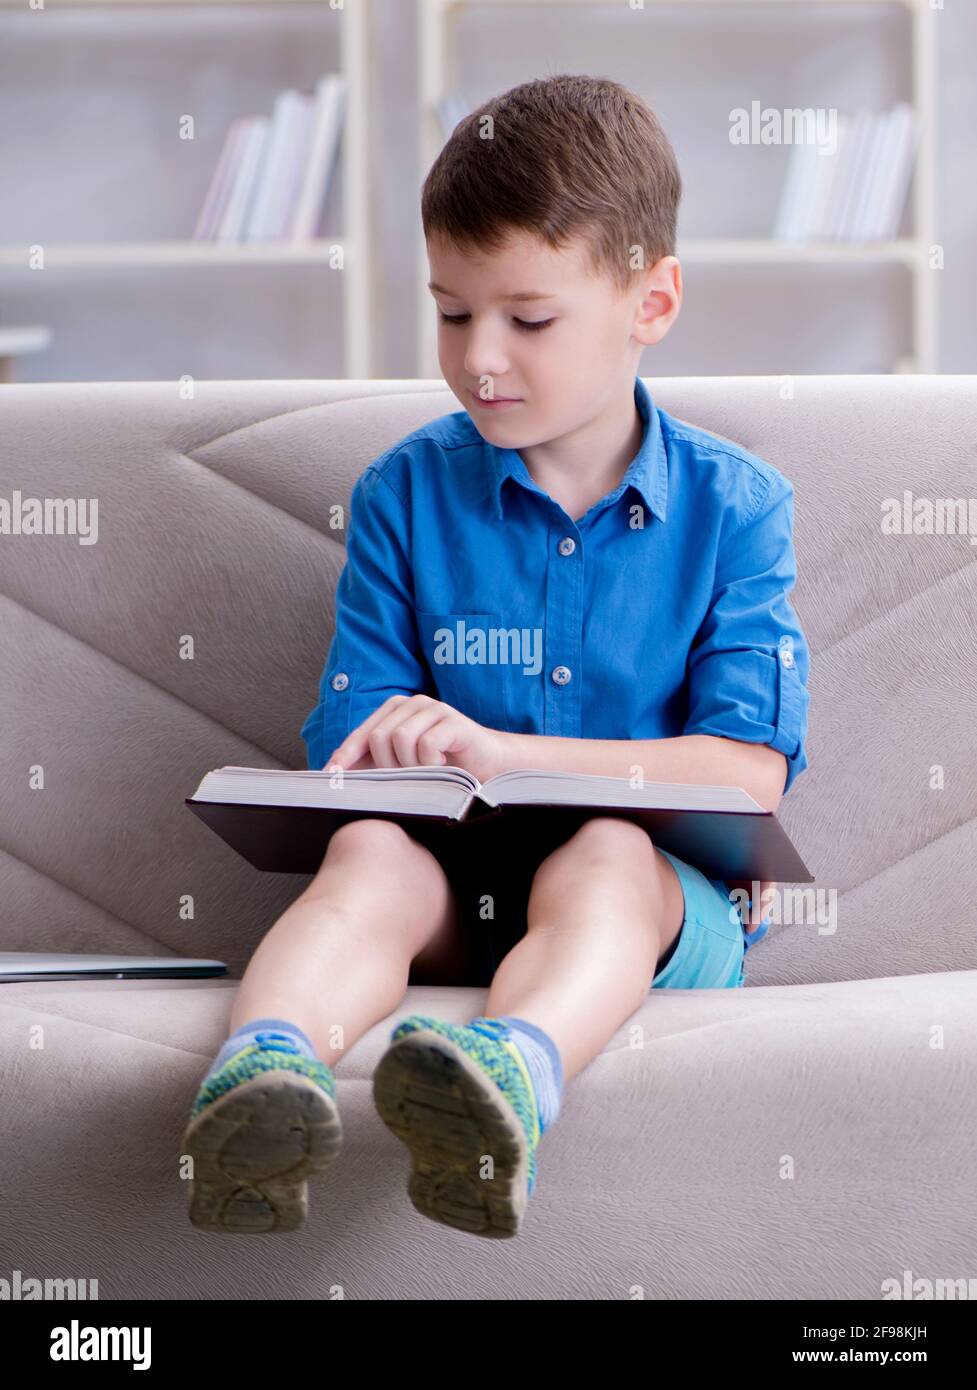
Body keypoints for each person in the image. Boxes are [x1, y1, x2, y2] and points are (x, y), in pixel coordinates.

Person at [180, 74, 811, 1239]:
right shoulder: (403, 492)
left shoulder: (737, 507)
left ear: (650, 300)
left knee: (609, 852)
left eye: (527, 319)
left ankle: (505, 1079)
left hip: (646, 908)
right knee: (370, 847)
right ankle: (262, 1080)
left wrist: (494, 743)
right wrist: (392, 744)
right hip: (446, 888)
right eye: (450, 311)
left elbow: (745, 773)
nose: (478, 358)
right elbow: (346, 741)